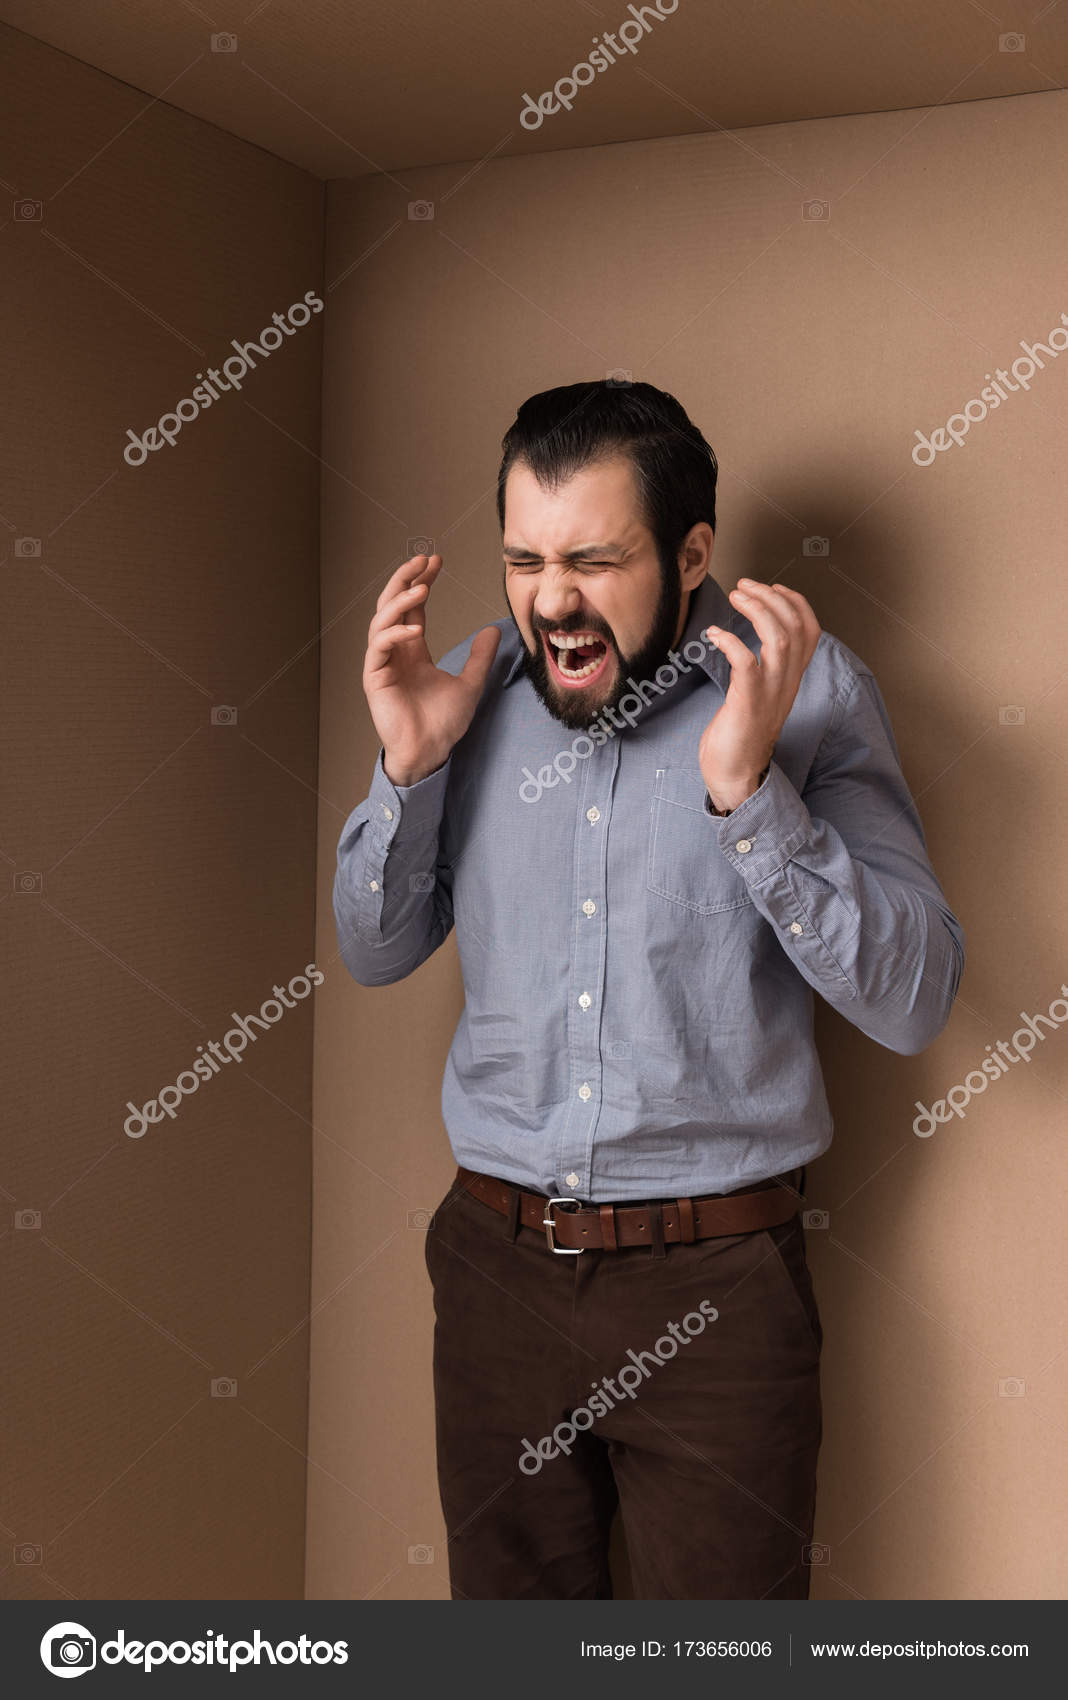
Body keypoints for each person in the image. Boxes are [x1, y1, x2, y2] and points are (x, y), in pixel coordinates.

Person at [333, 379, 965, 1600]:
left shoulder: (812, 698)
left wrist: (747, 796)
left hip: (716, 1290)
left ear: (691, 554)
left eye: (592, 559)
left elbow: (918, 997)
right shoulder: (477, 698)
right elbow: (374, 950)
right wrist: (407, 769)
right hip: (493, 1271)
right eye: (523, 559)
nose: (549, 600)